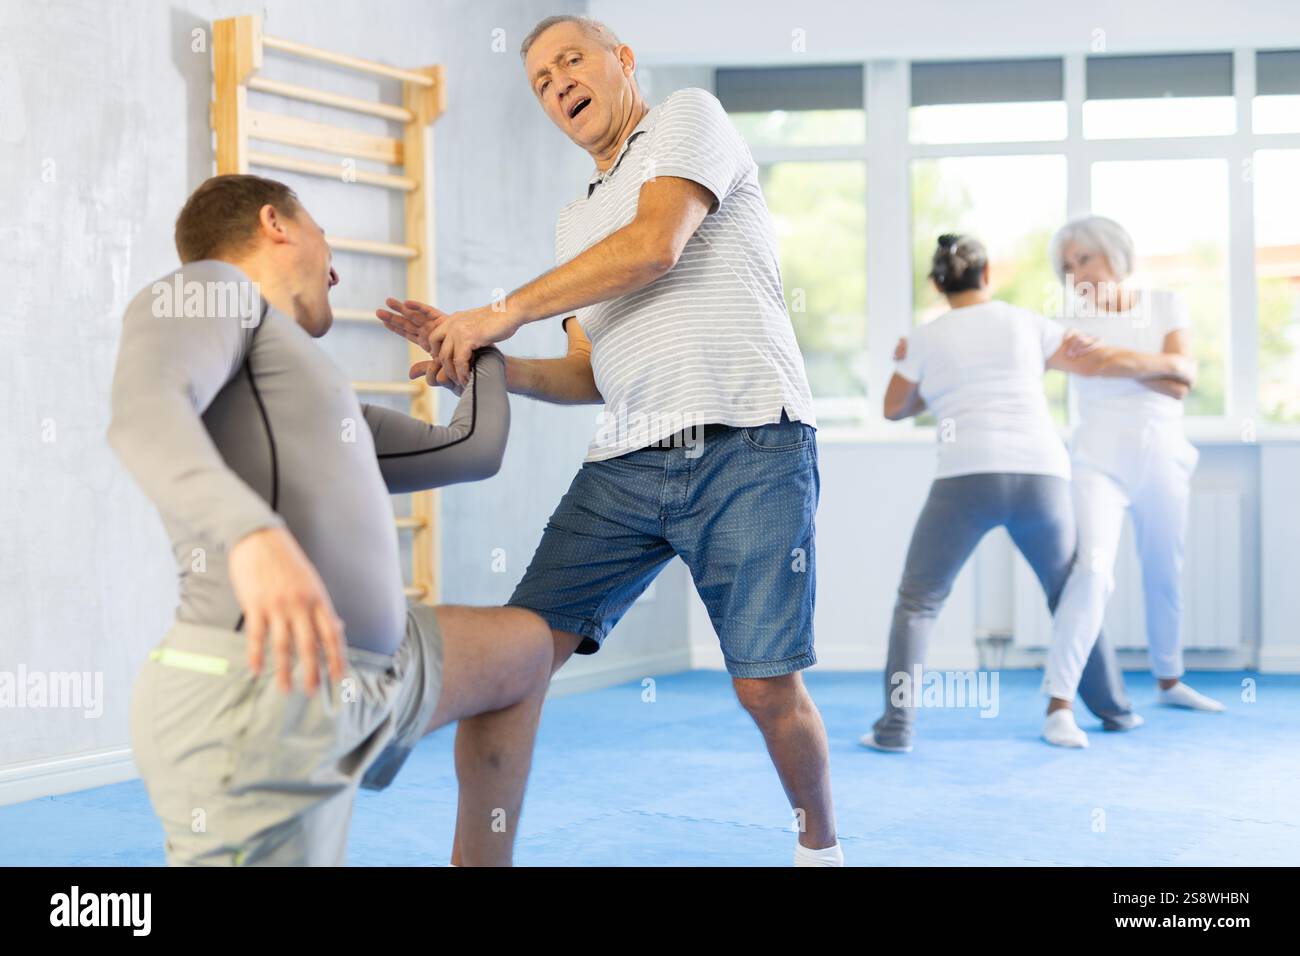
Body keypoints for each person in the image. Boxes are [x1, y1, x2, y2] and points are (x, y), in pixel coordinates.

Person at [376, 14, 839, 865]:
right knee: (512, 660)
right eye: (542, 83)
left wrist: (501, 309)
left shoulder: (687, 120)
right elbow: (588, 372)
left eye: (571, 62)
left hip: (750, 443)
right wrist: (492, 361)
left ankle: (819, 846)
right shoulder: (572, 224)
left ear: (623, 62)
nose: (558, 86)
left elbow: (657, 245)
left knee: (766, 689)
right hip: (625, 462)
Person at [108, 174, 552, 866]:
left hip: (375, 676)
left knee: (523, 651)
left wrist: (477, 350)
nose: (336, 268)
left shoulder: (311, 393)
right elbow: (144, 412)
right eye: (322, 234)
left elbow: (473, 451)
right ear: (274, 224)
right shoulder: (207, 288)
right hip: (257, 692)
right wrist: (254, 536)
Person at [866, 234, 1195, 753]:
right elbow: (1097, 363)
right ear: (988, 273)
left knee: (919, 601)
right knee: (1070, 593)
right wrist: (1172, 366)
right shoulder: (1028, 322)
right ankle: (1115, 710)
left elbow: (893, 408)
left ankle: (895, 728)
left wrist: (931, 375)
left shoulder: (924, 338)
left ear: (937, 284)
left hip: (965, 476)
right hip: (1041, 473)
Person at [1041, 215, 1225, 749]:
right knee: (1093, 572)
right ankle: (1059, 705)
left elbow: (1183, 382)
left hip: (1164, 458)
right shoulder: (1065, 318)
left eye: (1085, 259)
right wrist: (1158, 365)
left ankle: (1169, 680)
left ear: (1116, 255)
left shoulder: (1166, 303)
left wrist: (1109, 359)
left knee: (1165, 568)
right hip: (1097, 461)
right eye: (1067, 266)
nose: (1077, 274)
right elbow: (1167, 373)